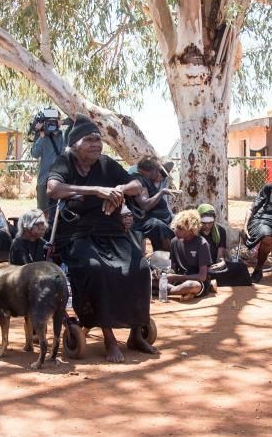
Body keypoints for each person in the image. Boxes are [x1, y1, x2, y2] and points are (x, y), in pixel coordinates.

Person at [47, 114, 157, 363]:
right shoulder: (65, 162)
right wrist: (96, 191)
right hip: (76, 233)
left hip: (109, 230)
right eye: (90, 139)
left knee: (139, 268)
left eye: (98, 139)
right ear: (75, 143)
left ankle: (136, 334)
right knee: (98, 270)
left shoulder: (106, 164)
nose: (96, 144)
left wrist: (118, 190)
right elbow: (53, 189)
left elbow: (137, 185)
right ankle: (109, 338)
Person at [165, 210, 215, 301]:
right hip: (179, 280)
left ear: (191, 230)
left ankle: (168, 290)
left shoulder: (202, 244)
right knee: (150, 279)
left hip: (197, 281)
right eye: (176, 227)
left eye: (180, 228)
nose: (175, 230)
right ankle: (182, 291)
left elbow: (202, 276)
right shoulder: (174, 242)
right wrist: (166, 274)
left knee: (190, 285)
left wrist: (175, 277)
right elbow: (173, 268)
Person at [198, 203, 251, 286]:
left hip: (213, 266)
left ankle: (208, 282)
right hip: (199, 266)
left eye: (210, 222)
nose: (207, 225)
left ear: (214, 219)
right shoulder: (194, 231)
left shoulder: (220, 231)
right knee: (197, 274)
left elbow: (220, 255)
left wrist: (221, 263)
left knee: (241, 268)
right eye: (204, 223)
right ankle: (207, 282)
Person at [131, 157, 176, 252]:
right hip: (147, 222)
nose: (158, 174)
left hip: (165, 219)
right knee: (158, 226)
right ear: (152, 171)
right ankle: (171, 256)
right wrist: (162, 192)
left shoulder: (146, 179)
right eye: (157, 171)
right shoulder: (138, 180)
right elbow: (145, 205)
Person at [30, 111, 66, 211]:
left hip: (61, 179)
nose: (54, 123)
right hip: (43, 180)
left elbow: (67, 153)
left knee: (60, 211)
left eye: (57, 119)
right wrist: (40, 135)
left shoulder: (63, 136)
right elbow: (35, 154)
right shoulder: (41, 137)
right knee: (43, 211)